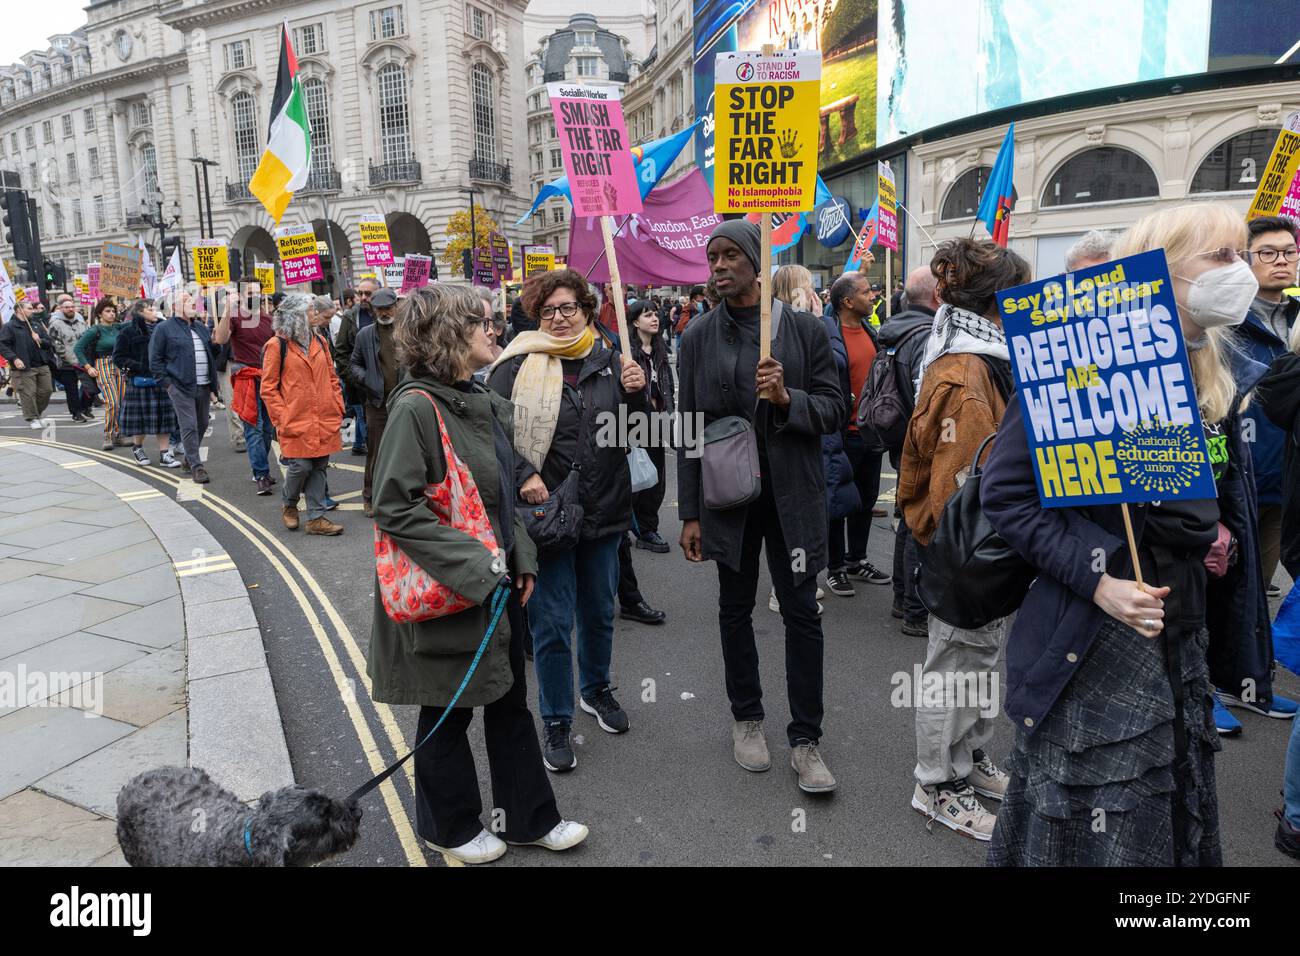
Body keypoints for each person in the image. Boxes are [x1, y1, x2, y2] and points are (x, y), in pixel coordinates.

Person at [982, 202, 1274, 866]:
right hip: (1097, 647)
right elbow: (1006, 495)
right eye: (1221, 257)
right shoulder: (1077, 367)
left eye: (1242, 254)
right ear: (1161, 273)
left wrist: (1214, 531)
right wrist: (1099, 581)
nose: (1241, 272)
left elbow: (1191, 496)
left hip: (1179, 636)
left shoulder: (1217, 366)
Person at [368, 284, 587, 864]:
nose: (497, 330)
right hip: (450, 589)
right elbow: (394, 506)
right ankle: (451, 826)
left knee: (510, 700)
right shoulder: (416, 407)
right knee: (449, 708)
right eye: (484, 322)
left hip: (495, 582)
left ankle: (529, 819)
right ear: (449, 334)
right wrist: (478, 566)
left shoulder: (481, 398)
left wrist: (522, 558)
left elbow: (498, 501)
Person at [677, 219, 844, 794]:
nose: (718, 266)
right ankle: (747, 718)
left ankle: (806, 739)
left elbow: (833, 411)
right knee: (734, 608)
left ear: (758, 261)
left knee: (801, 612)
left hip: (792, 498)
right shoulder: (697, 336)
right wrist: (690, 513)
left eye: (730, 256)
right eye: (712, 256)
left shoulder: (804, 331)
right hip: (729, 500)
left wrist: (786, 397)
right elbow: (689, 428)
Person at [488, 269, 647, 773]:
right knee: (552, 623)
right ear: (538, 315)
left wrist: (639, 392)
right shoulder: (512, 368)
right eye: (549, 310)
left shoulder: (611, 362)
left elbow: (639, 433)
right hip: (546, 514)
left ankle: (595, 690)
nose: (559, 318)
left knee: (599, 610)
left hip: (605, 509)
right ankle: (555, 717)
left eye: (569, 308)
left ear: (586, 310)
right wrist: (523, 474)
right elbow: (490, 435)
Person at [897, 237, 1031, 840]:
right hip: (971, 554)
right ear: (1000, 301)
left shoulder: (981, 355)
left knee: (979, 662)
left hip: (987, 553)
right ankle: (936, 783)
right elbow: (963, 496)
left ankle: (968, 760)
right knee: (953, 666)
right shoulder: (969, 372)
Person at [1234, 216, 1300, 599]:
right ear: (1246, 259)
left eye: (1289, 252)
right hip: (1237, 482)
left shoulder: (1297, 319)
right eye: (1268, 252)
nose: (1282, 260)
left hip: (1284, 485)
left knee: (1257, 594)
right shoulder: (1226, 324)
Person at [824, 271, 891, 597]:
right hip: (843, 434)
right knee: (838, 504)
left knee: (865, 501)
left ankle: (856, 560)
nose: (873, 295)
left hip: (870, 432)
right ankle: (834, 567)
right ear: (848, 301)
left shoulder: (871, 331)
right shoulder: (828, 336)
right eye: (866, 292)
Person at [882, 266, 941, 636]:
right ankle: (914, 608)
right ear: (937, 298)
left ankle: (903, 599)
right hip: (919, 442)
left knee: (909, 518)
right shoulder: (926, 337)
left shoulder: (898, 330)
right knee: (920, 523)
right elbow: (927, 399)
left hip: (902, 439)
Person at [260, 293, 344, 536]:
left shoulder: (320, 341)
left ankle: (316, 518)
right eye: (310, 311)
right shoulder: (277, 346)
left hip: (324, 415)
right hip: (295, 417)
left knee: (319, 465)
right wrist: (282, 417)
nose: (314, 314)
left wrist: (337, 403)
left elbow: (331, 376)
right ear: (296, 316)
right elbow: (268, 388)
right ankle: (289, 503)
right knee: (301, 466)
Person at [213, 283, 279, 495]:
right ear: (241, 296)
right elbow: (220, 339)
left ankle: (261, 469)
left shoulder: (270, 319)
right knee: (253, 426)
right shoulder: (234, 317)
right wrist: (225, 311)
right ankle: (260, 474)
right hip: (246, 377)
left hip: (269, 377)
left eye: (258, 292)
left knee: (268, 429)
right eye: (250, 293)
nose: (255, 296)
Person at [150, 287, 215, 483]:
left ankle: (188, 458)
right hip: (180, 385)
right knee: (189, 425)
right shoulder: (164, 329)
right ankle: (197, 466)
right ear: (175, 306)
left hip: (203, 383)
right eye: (186, 300)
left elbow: (212, 352)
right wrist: (168, 384)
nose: (192, 302)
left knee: (202, 423)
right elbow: (155, 360)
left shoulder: (200, 327)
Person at [627, 299, 674, 553]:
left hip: (657, 419)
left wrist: (673, 415)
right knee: (633, 473)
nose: (654, 319)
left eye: (655, 314)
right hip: (632, 420)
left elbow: (666, 385)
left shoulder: (660, 350)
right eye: (647, 315)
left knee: (656, 475)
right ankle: (629, 524)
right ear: (635, 322)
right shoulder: (627, 352)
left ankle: (647, 528)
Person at [350, 287, 401, 519]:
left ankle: (400, 497)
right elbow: (354, 364)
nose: (384, 312)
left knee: (404, 452)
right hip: (377, 403)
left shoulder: (406, 332)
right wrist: (367, 379)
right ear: (373, 310)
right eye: (379, 309)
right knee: (376, 452)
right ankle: (369, 496)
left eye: (387, 308)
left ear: (396, 307)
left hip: (404, 401)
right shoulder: (365, 335)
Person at [112, 299, 181, 468]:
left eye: (154, 308)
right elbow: (118, 357)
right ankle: (138, 448)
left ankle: (165, 454)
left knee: (164, 420)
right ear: (140, 312)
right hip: (140, 381)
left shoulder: (163, 328)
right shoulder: (128, 332)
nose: (154, 311)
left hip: (162, 379)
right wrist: (138, 367)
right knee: (140, 421)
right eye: (150, 309)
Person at [335, 277, 379, 457]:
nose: (363, 297)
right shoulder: (350, 316)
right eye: (360, 293)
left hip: (385, 384)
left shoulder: (386, 313)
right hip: (359, 384)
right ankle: (360, 445)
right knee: (363, 419)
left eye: (368, 294)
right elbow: (341, 352)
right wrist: (355, 377)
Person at [75, 298, 126, 450]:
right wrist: (88, 366)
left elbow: (135, 323)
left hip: (119, 365)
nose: (111, 314)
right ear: (99, 314)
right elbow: (78, 348)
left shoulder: (118, 327)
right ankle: (108, 436)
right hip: (102, 366)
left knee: (122, 403)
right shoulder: (94, 330)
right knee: (112, 402)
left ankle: (119, 435)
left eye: (113, 311)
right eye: (107, 311)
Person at [0, 297, 56, 428]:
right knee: (28, 393)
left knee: (47, 390)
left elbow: (49, 343)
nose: (33, 311)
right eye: (29, 308)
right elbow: (3, 345)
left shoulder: (36, 324)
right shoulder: (10, 327)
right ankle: (32, 418)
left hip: (41, 364)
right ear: (20, 310)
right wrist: (14, 358)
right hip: (24, 367)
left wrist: (40, 340)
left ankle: (37, 414)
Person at [47, 294, 92, 423]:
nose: (70, 309)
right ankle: (76, 412)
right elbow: (56, 344)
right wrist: (69, 358)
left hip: (83, 360)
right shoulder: (55, 324)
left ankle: (84, 407)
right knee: (71, 390)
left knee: (91, 387)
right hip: (67, 362)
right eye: (67, 307)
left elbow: (86, 338)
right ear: (61, 309)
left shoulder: (80, 321)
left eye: (72, 306)